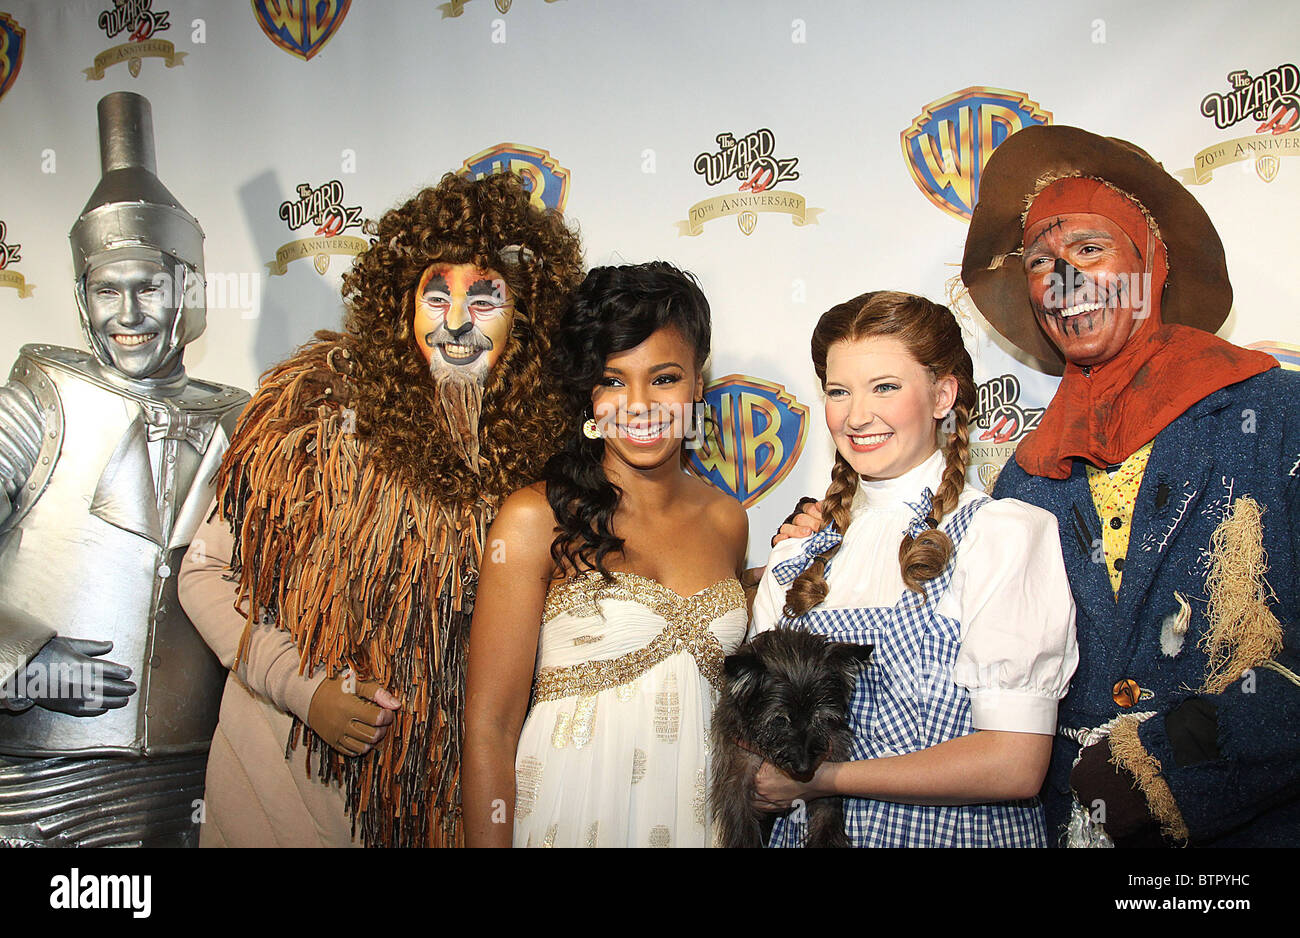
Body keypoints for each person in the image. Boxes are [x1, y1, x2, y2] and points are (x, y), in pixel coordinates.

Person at [177, 171, 584, 847]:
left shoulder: (552, 465)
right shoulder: (310, 423)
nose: (456, 321)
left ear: (527, 319)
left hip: (441, 817)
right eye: (436, 297)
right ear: (403, 306)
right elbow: (204, 575)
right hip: (274, 803)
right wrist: (305, 689)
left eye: (484, 300)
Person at [960, 124, 1300, 847]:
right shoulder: (1022, 478)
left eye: (1089, 249)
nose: (1064, 282)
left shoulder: (1276, 414)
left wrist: (1163, 763)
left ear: (1151, 262)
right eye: (1042, 263)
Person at [0, 92, 247, 847]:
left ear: (190, 291)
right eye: (107, 288)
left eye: (151, 286)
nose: (128, 312)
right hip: (41, 775)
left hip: (195, 775)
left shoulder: (242, 418)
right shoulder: (35, 399)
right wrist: (19, 660)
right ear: (82, 298)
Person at [750, 290, 1077, 847]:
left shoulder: (1001, 534)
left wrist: (820, 779)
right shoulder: (790, 563)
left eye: (885, 387)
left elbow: (1013, 764)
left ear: (943, 394)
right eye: (838, 392)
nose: (856, 416)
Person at [463, 261, 749, 848]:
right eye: (613, 381)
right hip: (567, 815)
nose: (639, 403)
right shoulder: (534, 518)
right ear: (586, 393)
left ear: (699, 382)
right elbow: (489, 727)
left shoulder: (727, 520)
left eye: (664, 378)